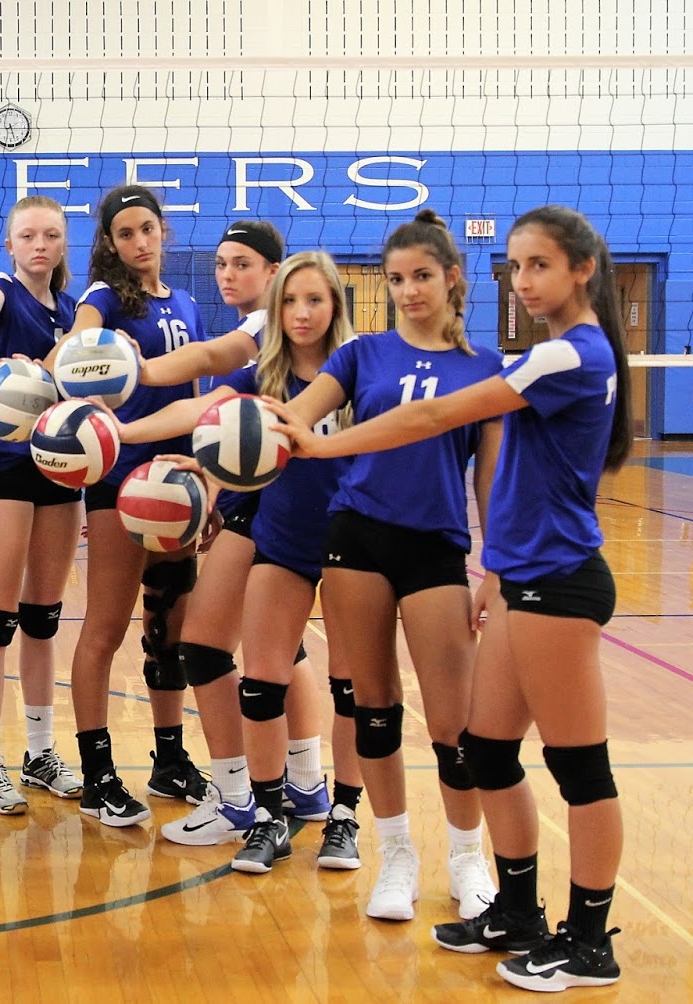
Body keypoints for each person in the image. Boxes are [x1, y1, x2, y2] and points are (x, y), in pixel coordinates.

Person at [273, 205, 631, 992]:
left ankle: (590, 941)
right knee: (489, 749)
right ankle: (518, 911)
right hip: (522, 577)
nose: (527, 281)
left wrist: (324, 441)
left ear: (582, 271)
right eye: (518, 266)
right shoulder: (545, 355)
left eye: (541, 265)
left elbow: (435, 414)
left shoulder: (567, 356)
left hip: (559, 580)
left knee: (581, 770)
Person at [275, 210, 502, 920]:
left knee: (454, 725)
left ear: (452, 278)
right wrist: (223, 446)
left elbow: (489, 479)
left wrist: (494, 566)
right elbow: (293, 417)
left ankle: (468, 859)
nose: (408, 291)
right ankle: (396, 853)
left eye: (422, 277)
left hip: (436, 543)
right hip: (356, 537)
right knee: (373, 707)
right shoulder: (362, 355)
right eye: (398, 279)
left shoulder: (484, 367)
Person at [147, 229, 363, 864]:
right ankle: (264, 798)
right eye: (291, 300)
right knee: (255, 661)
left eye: (314, 300)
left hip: (351, 539)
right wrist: (118, 428)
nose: (300, 313)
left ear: (334, 305)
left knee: (345, 676)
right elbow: (202, 410)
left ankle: (330, 804)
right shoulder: (260, 370)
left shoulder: (358, 368)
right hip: (281, 531)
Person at [47, 184, 204, 827]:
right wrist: (47, 362)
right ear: (110, 244)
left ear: (163, 230)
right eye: (126, 234)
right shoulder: (103, 300)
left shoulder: (189, 302)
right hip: (120, 482)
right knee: (106, 627)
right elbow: (74, 347)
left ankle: (170, 758)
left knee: (170, 629)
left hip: (177, 484)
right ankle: (97, 774)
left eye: (148, 229)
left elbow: (194, 391)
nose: (140, 242)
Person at [0, 196, 83, 813]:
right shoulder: (1, 290)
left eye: (51, 235)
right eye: (28, 235)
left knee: (44, 617)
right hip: (6, 469)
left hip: (61, 471)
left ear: (63, 245)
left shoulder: (70, 312)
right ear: (10, 244)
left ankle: (39, 753)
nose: (39, 244)